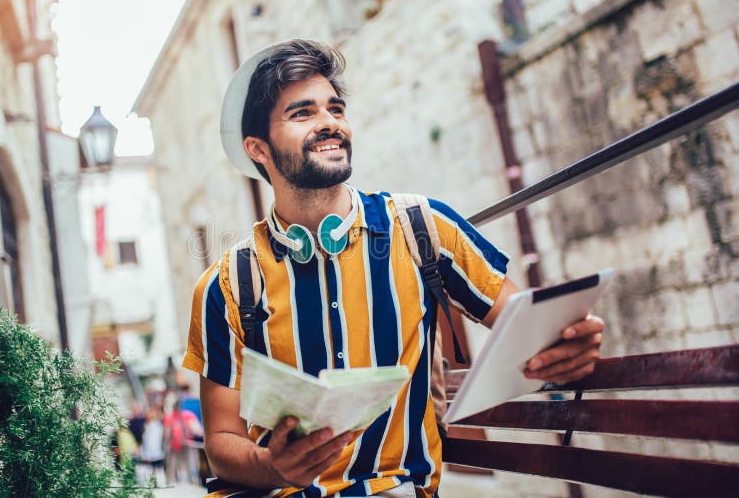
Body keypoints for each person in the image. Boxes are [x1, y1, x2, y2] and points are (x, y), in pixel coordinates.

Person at [182, 39, 605, 497]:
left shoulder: (423, 226)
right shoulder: (225, 285)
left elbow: (528, 328)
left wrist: (565, 348)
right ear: (258, 149)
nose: (329, 123)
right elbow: (222, 442)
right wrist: (274, 466)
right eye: (302, 113)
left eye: (336, 108)